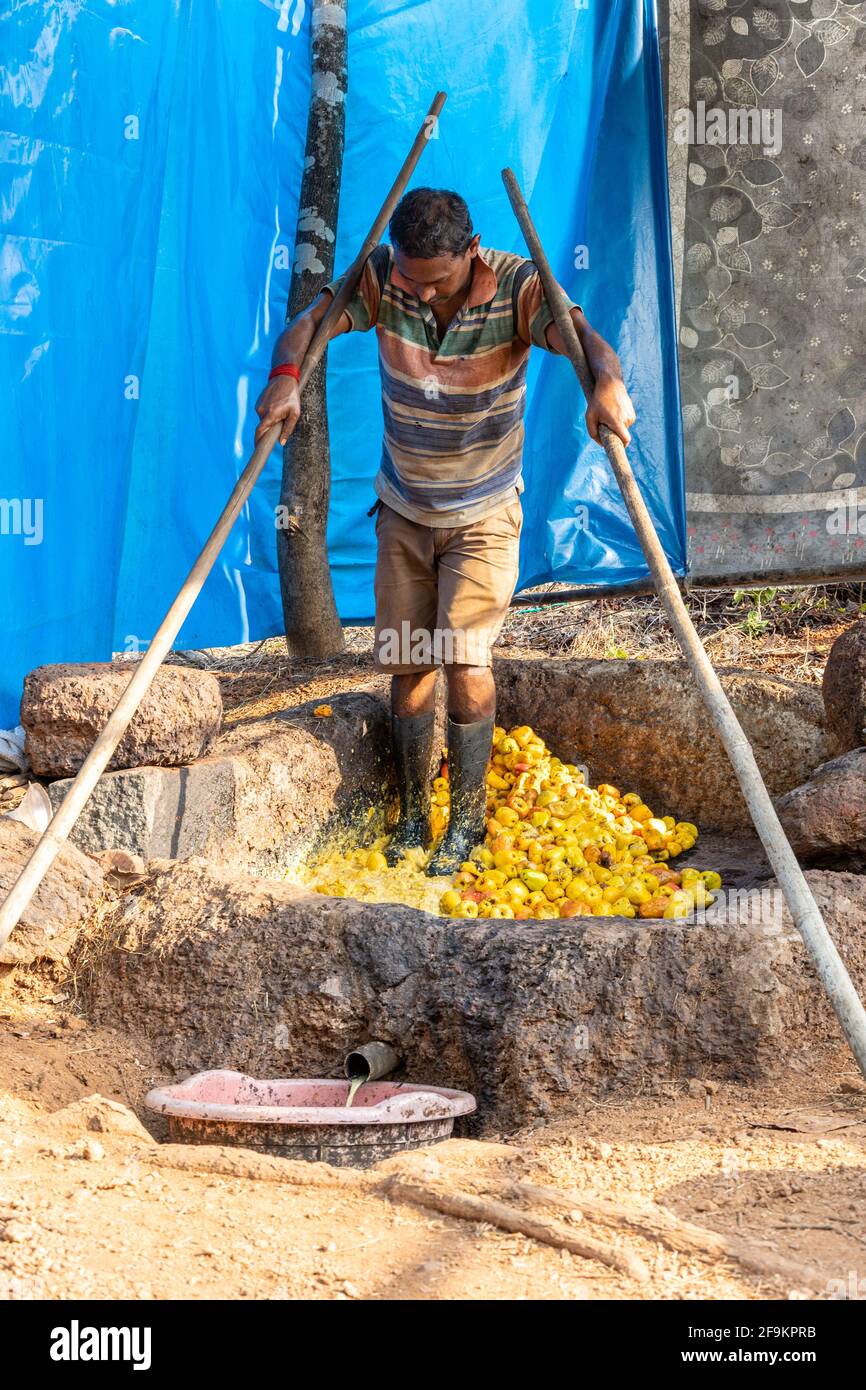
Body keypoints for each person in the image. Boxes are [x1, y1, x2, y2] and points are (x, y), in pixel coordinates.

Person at [255, 188, 636, 875]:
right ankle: (411, 818)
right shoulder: (382, 273)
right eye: (409, 277)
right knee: (407, 662)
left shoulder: (519, 285)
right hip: (404, 506)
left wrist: (606, 385)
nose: (420, 292)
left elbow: (586, 344)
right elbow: (307, 329)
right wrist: (285, 381)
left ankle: (466, 824)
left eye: (436, 279)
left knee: (465, 659)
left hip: (484, 511)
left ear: (470, 251)